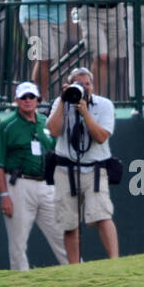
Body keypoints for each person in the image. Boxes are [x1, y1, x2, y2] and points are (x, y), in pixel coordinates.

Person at [0, 81, 68, 271]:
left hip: (46, 185)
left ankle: (77, 275)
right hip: (19, 185)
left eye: (31, 97)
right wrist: (4, 196)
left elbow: (55, 149)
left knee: (61, 233)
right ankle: (21, 284)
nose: (27, 101)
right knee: (18, 241)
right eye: (23, 97)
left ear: (38, 100)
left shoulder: (45, 122)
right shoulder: (7, 126)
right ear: (17, 100)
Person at [45, 67, 119, 262]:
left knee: (102, 215)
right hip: (65, 170)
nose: (84, 88)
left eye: (87, 84)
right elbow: (52, 131)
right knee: (69, 224)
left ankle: (115, 262)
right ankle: (74, 269)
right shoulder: (60, 103)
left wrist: (85, 113)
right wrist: (62, 100)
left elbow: (101, 137)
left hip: (94, 170)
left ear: (92, 86)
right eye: (79, 84)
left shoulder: (104, 105)